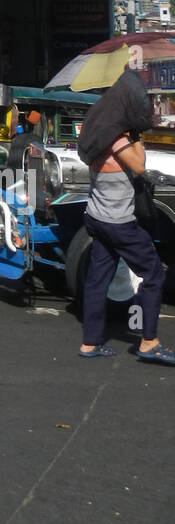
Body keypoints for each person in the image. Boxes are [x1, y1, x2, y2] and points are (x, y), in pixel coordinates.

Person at [76, 69, 174, 364]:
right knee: (153, 274)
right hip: (118, 223)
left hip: (96, 215)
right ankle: (148, 341)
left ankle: (90, 343)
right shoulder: (116, 139)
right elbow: (140, 165)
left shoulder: (94, 134)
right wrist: (136, 136)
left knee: (97, 279)